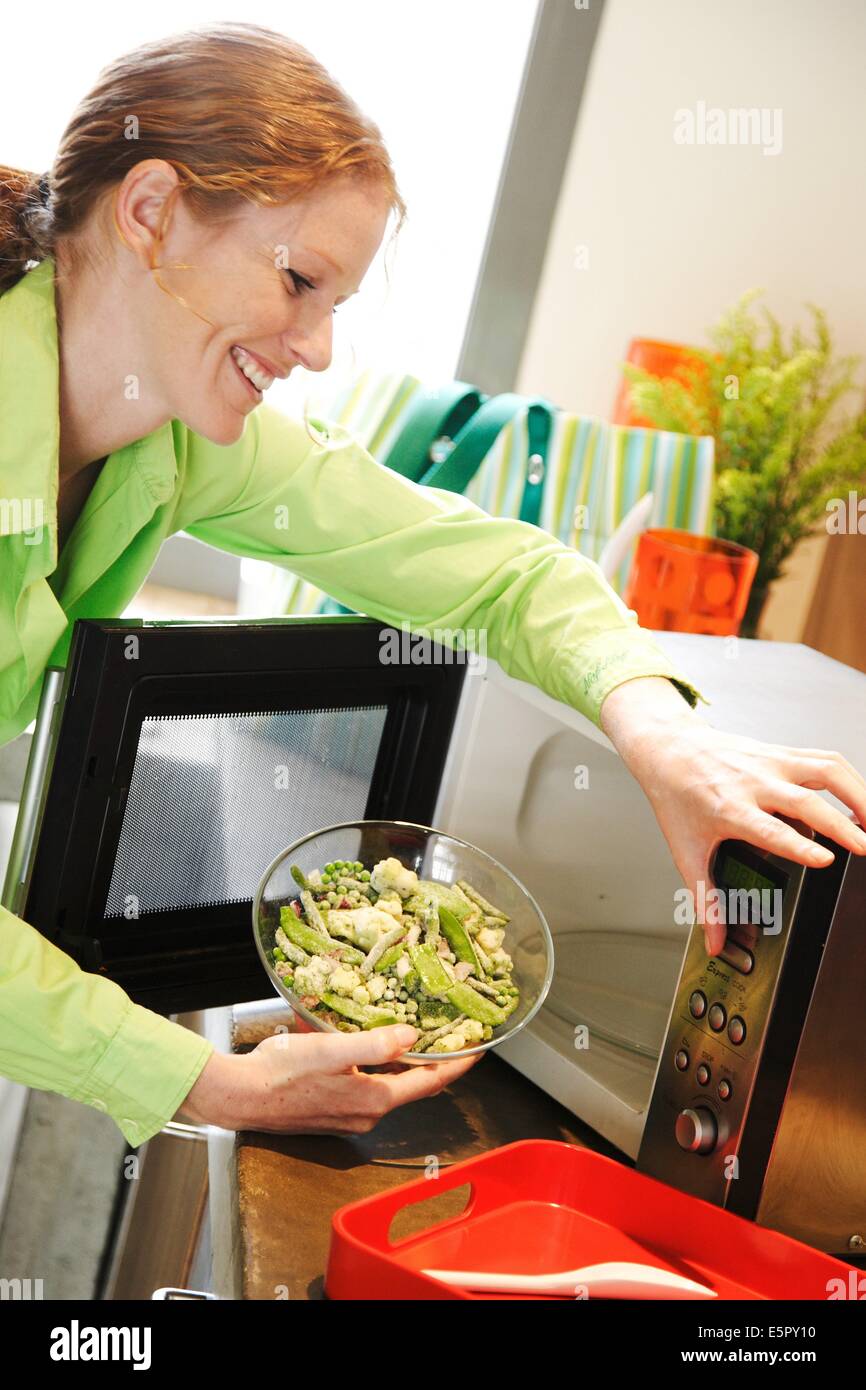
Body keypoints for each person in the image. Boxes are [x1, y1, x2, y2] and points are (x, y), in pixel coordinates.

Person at [1, 23, 864, 1151]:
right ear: (152, 209)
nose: (316, 347)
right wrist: (207, 1083)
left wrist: (666, 739)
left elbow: (501, 572)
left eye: (335, 305)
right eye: (298, 281)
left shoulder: (176, 442)